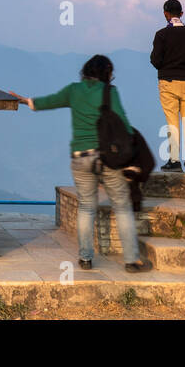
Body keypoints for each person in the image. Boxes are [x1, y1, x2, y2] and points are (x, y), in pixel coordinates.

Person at [27, 55, 147, 272]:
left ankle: (85, 258)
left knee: (86, 207)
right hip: (107, 158)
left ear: (85, 71)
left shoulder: (74, 90)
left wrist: (28, 102)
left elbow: (50, 101)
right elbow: (123, 122)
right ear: (108, 73)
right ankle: (131, 260)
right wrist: (132, 150)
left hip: (80, 157)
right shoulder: (110, 93)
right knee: (121, 207)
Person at [149, 0, 185, 172]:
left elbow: (155, 60)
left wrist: (166, 68)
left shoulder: (161, 34)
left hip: (168, 82)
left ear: (165, 13)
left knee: (172, 122)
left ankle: (174, 160)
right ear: (181, 13)